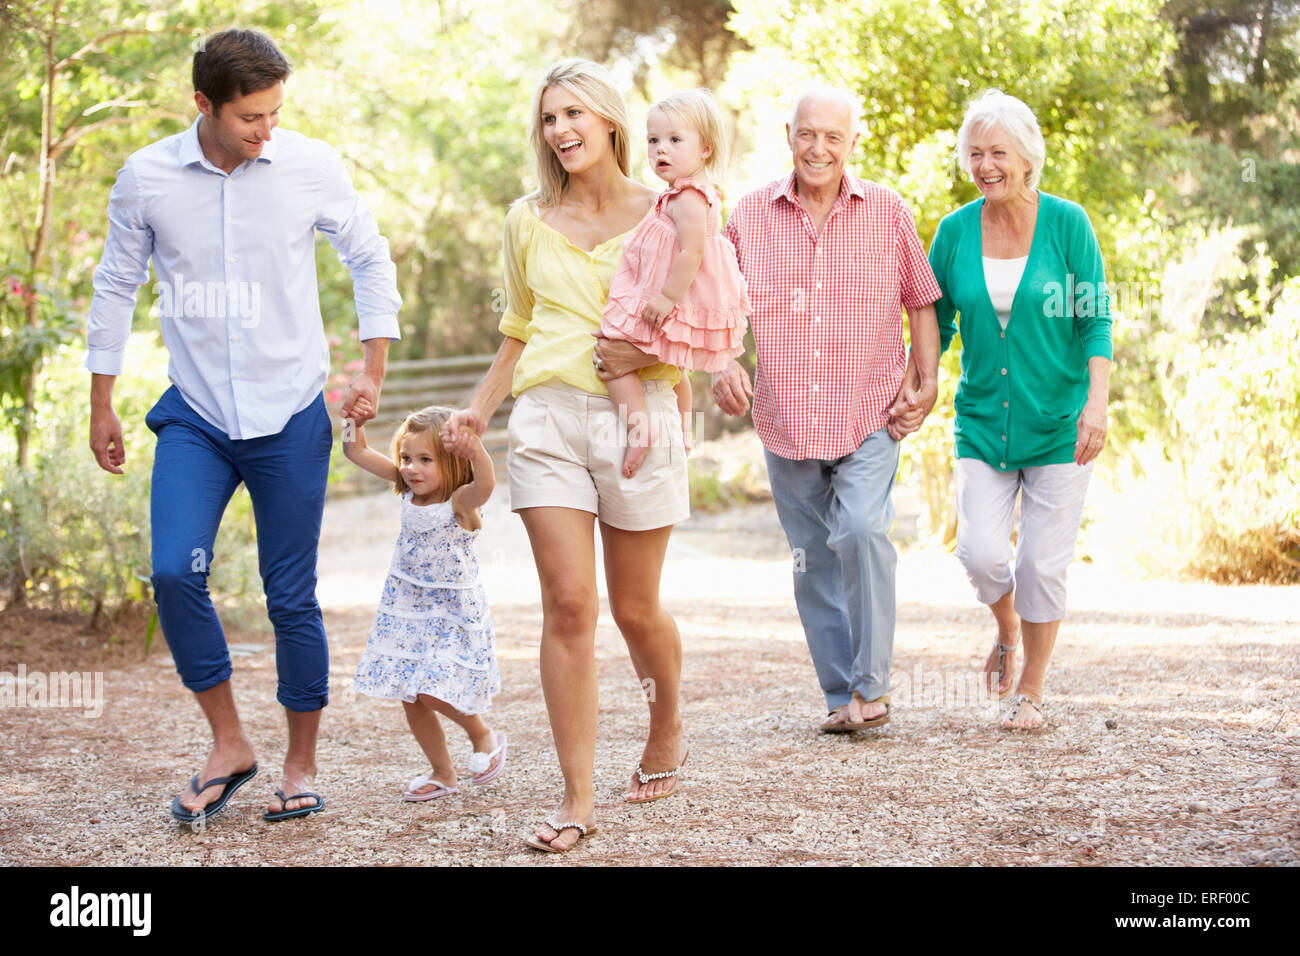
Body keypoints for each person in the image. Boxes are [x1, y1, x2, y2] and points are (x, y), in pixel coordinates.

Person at [86, 29, 401, 823]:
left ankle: (300, 765)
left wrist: (373, 367)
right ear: (205, 104)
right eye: (251, 117)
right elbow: (116, 286)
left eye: (275, 113)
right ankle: (229, 745)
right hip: (195, 414)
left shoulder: (308, 166)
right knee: (172, 573)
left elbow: (369, 254)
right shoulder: (147, 178)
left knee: (290, 598)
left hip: (289, 411)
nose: (267, 130)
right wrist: (101, 399)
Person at [601, 86, 943, 734]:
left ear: (853, 144)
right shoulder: (747, 214)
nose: (819, 148)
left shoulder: (887, 210)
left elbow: (920, 297)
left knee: (862, 531)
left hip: (869, 409)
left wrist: (925, 379)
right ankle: (842, 696)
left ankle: (874, 685)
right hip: (785, 418)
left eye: (833, 137)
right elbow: (709, 293)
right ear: (789, 134)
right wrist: (724, 363)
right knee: (812, 559)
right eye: (807, 134)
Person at [440, 59, 689, 853]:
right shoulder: (526, 218)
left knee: (635, 608)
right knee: (570, 605)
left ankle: (668, 717)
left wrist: (698, 387)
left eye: (574, 113)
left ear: (610, 120)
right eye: (550, 118)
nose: (561, 131)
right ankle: (577, 796)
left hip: (638, 414)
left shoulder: (666, 212)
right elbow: (518, 327)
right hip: (546, 416)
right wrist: (477, 411)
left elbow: (699, 310)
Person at [928, 90, 1111, 731]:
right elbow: (937, 320)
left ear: (1026, 157)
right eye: (975, 153)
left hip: (1061, 422)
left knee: (1041, 562)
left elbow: (1095, 319)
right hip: (982, 421)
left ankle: (1029, 689)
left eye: (998, 152)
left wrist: (1097, 403)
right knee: (979, 554)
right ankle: (1005, 622)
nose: (985, 165)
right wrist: (914, 380)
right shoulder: (953, 232)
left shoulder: (1067, 224)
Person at [342, 405, 505, 799]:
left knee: (431, 689)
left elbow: (486, 484)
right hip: (408, 608)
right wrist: (353, 423)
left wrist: (475, 448)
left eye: (425, 460)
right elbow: (356, 452)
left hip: (451, 613)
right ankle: (442, 773)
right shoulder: (407, 489)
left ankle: (483, 734)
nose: (412, 468)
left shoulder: (461, 504)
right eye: (406, 458)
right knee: (409, 695)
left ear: (451, 464)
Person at [600, 88, 749, 476]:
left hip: (679, 294)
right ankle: (682, 433)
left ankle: (639, 428)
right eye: (653, 141)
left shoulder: (689, 197)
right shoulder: (679, 194)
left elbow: (692, 254)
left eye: (674, 140)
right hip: (679, 292)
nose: (660, 149)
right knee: (676, 370)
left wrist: (666, 298)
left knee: (611, 354)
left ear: (705, 149)